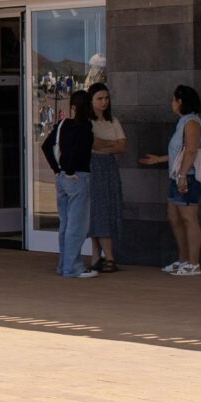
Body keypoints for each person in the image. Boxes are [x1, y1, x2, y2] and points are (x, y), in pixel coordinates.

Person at [138, 84, 201, 275]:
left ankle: (193, 262)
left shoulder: (192, 122)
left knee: (189, 218)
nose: (172, 103)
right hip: (178, 176)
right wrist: (159, 159)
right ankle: (184, 259)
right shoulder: (182, 122)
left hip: (189, 177)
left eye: (173, 99)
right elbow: (180, 152)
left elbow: (192, 150)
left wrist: (183, 175)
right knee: (174, 218)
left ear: (181, 102)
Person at [40, 89, 99, 279]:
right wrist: (71, 170)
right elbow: (79, 152)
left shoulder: (63, 124)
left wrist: (58, 170)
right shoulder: (85, 128)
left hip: (61, 178)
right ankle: (72, 267)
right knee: (77, 225)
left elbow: (46, 146)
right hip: (77, 177)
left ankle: (64, 264)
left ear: (73, 106)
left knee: (65, 224)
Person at [87, 82, 126, 272]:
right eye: (99, 99)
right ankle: (107, 256)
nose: (104, 102)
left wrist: (106, 145)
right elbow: (92, 143)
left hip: (109, 166)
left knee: (107, 207)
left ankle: (97, 256)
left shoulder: (112, 121)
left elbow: (122, 146)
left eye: (106, 98)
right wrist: (110, 144)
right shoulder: (88, 121)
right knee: (98, 209)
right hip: (94, 166)